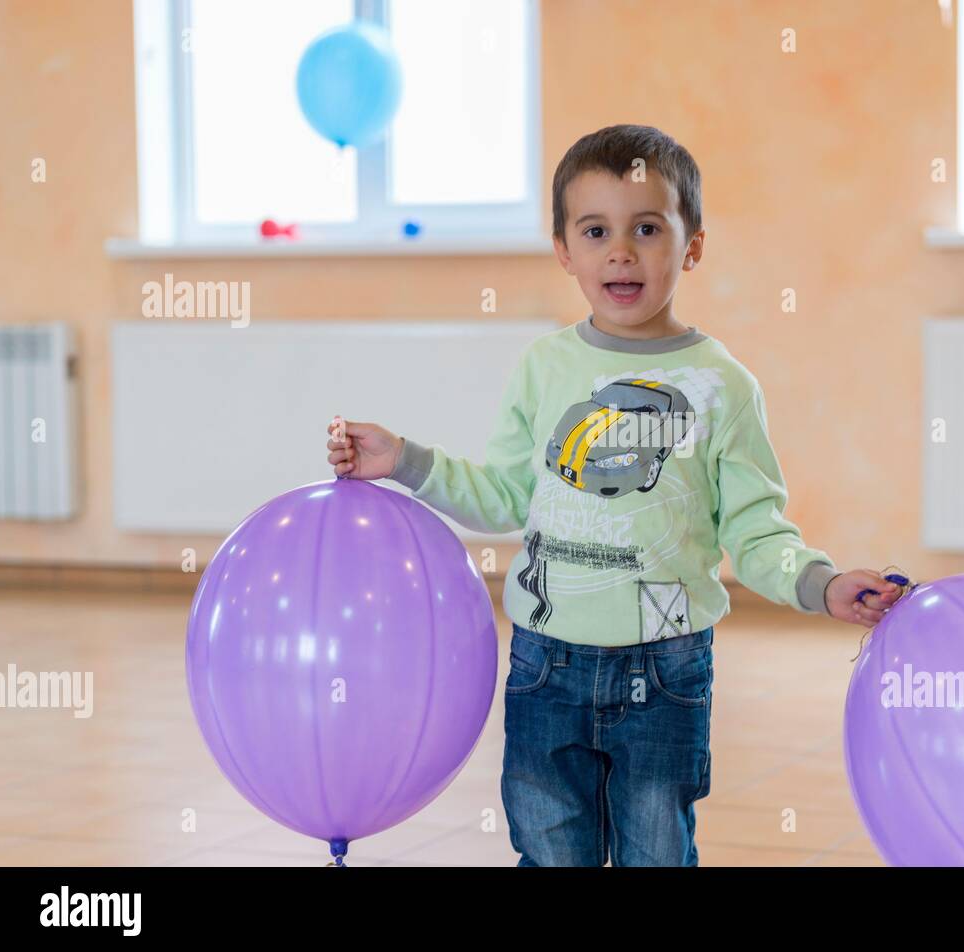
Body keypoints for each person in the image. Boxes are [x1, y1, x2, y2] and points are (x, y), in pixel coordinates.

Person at [325, 124, 903, 866]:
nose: (621, 251)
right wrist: (405, 460)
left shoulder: (724, 385)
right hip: (545, 665)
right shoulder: (544, 367)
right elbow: (504, 496)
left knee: (657, 852)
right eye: (596, 230)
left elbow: (757, 533)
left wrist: (821, 584)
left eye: (648, 229)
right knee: (548, 848)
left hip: (664, 671)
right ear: (564, 249)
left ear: (692, 245)